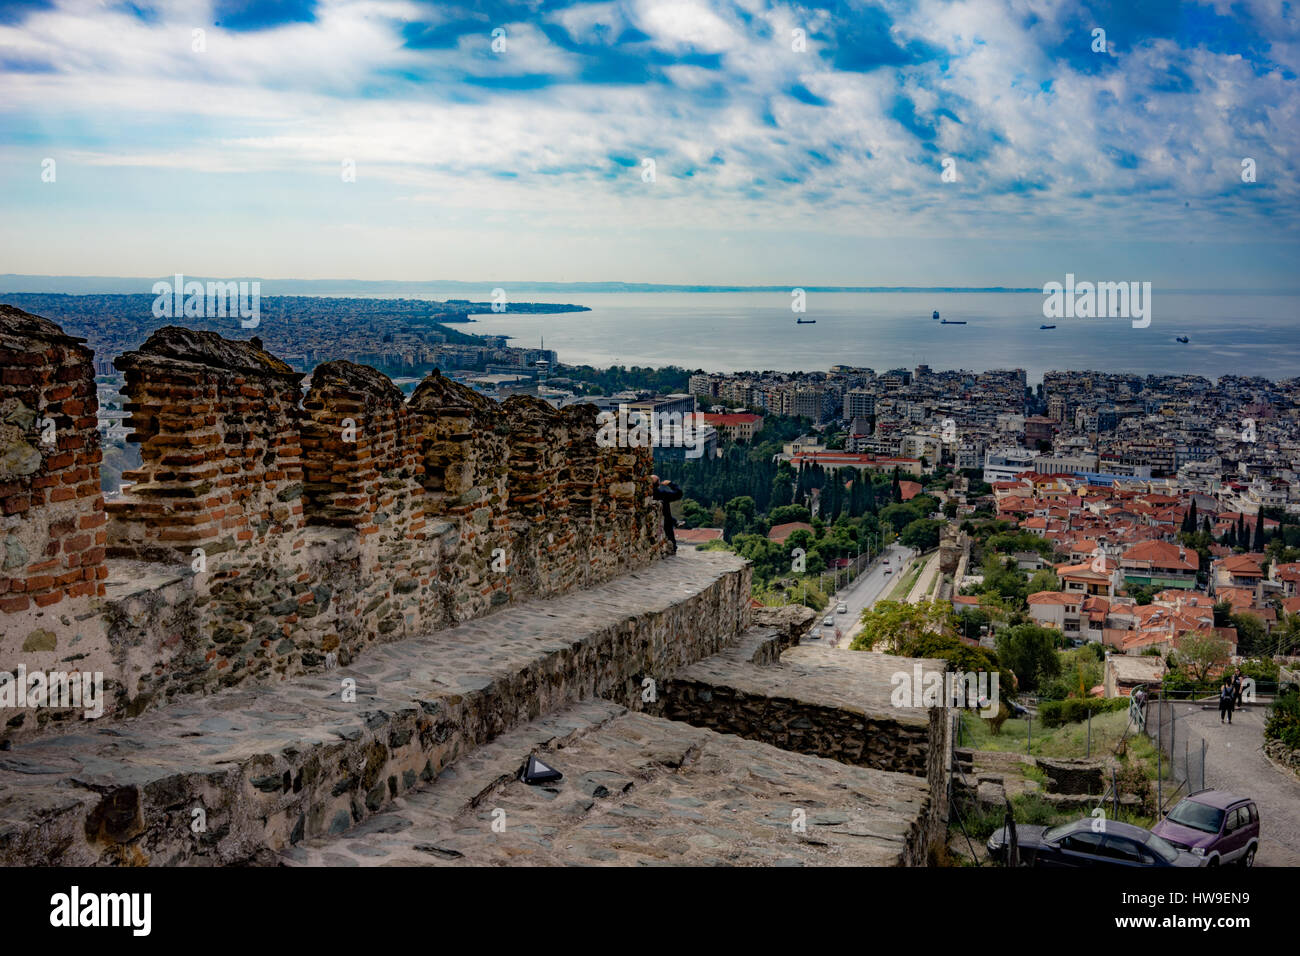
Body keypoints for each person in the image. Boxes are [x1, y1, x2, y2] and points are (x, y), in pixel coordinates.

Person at [650, 474, 683, 554]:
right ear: (658, 484)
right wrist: (671, 484)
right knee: (671, 544)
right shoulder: (662, 494)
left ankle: (675, 521)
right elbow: (678, 493)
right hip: (666, 523)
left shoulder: (646, 495)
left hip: (651, 524)